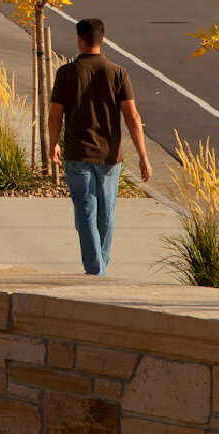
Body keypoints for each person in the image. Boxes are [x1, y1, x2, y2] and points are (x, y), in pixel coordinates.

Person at [47, 17, 153, 277]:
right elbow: (132, 116)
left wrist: (53, 145)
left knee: (85, 213)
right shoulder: (118, 73)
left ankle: (96, 270)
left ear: (79, 40)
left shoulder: (66, 73)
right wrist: (143, 155)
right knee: (106, 214)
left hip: (77, 153)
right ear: (102, 39)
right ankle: (98, 269)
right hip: (109, 156)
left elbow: (55, 115)